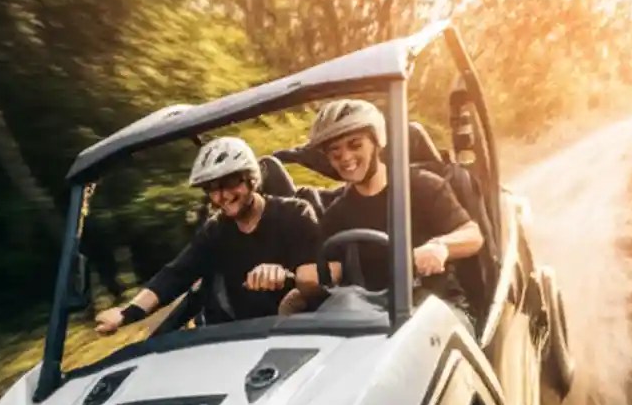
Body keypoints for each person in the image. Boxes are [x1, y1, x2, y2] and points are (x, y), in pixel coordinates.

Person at [95, 137, 324, 335]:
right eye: (212, 188)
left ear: (252, 179)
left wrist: (285, 275)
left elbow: (317, 281)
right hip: (238, 337)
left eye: (230, 183)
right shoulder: (216, 230)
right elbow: (176, 274)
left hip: (295, 331)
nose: (222, 196)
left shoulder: (295, 213)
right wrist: (126, 313)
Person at [307, 98, 484, 310]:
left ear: (377, 142)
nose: (345, 157)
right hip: (371, 316)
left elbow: (473, 236)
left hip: (437, 308)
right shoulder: (336, 214)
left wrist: (441, 247)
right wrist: (301, 287)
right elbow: (331, 271)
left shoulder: (422, 187)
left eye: (355, 145)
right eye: (335, 151)